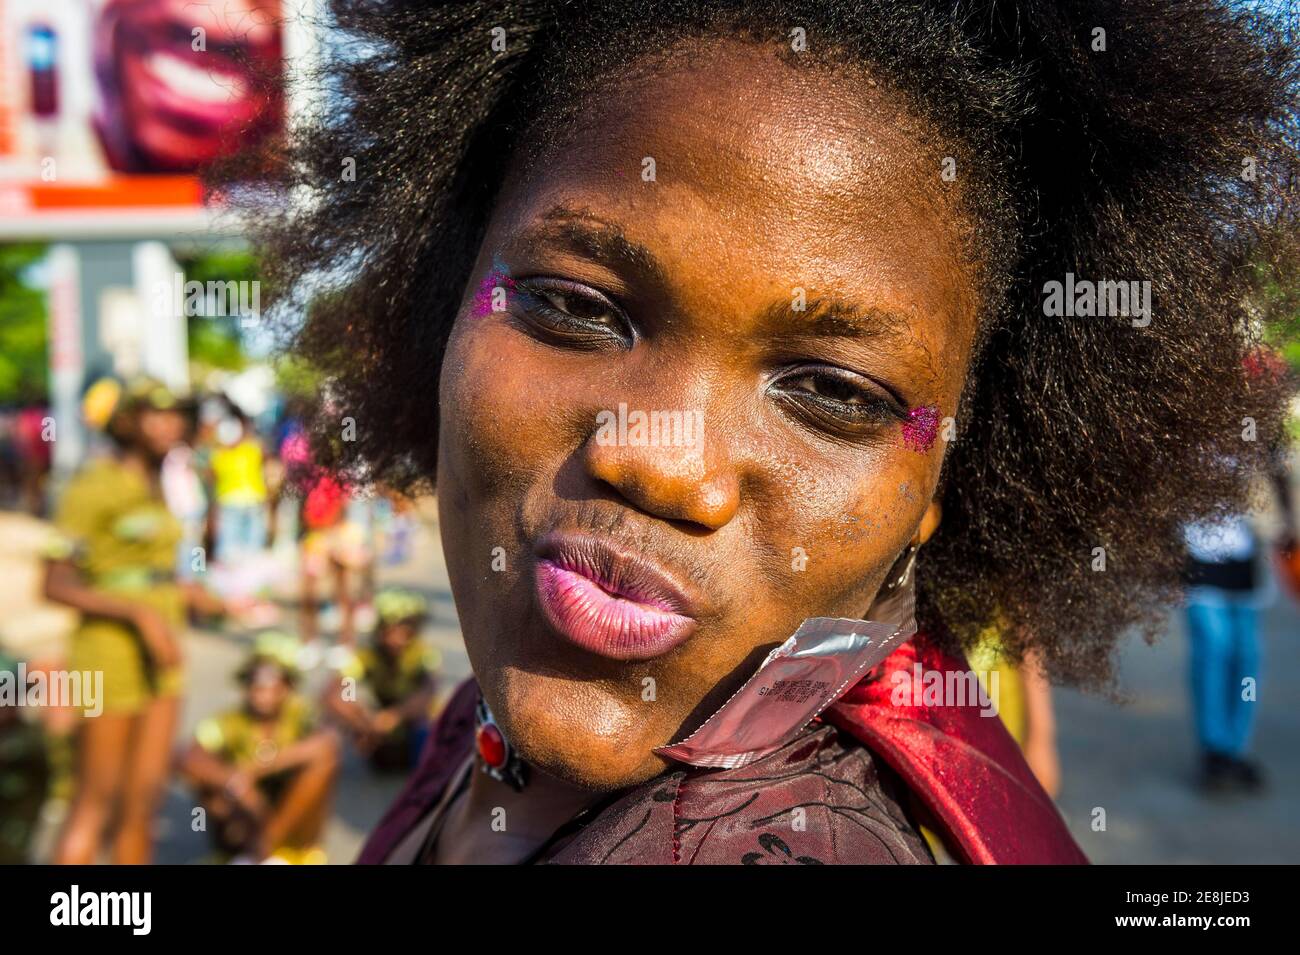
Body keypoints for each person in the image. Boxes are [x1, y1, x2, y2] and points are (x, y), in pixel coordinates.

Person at [235, 0, 1299, 863]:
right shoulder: (476, 728)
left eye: (833, 392)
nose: (659, 459)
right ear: (443, 290)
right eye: (574, 306)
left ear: (950, 479)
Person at [43, 378, 225, 864]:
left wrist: (192, 591)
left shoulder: (160, 484)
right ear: (126, 421)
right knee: (94, 802)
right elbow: (55, 584)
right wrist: (138, 612)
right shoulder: (94, 485)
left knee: (143, 804)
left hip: (162, 654)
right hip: (107, 655)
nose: (167, 423)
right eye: (152, 413)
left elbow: (143, 569)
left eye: (174, 413)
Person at [178, 632, 339, 864]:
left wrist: (256, 769)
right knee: (207, 784)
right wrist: (235, 782)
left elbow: (328, 743)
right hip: (244, 821)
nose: (263, 693)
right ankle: (247, 852)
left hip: (291, 825)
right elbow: (186, 756)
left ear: (288, 686)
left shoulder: (303, 716)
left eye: (274, 683)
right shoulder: (228, 721)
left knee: (323, 764)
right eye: (256, 682)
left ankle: (267, 846)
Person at [324, 588, 440, 771]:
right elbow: (342, 690)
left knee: (425, 728)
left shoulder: (422, 655)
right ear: (380, 629)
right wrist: (361, 717)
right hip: (375, 722)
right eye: (392, 632)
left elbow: (426, 692)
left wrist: (396, 716)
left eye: (406, 633)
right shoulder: (366, 656)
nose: (398, 640)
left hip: (411, 723)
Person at [209, 402, 270, 566]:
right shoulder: (252, 450)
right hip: (253, 498)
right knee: (252, 541)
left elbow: (212, 477)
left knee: (230, 541)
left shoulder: (218, 456)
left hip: (230, 500)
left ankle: (231, 572)